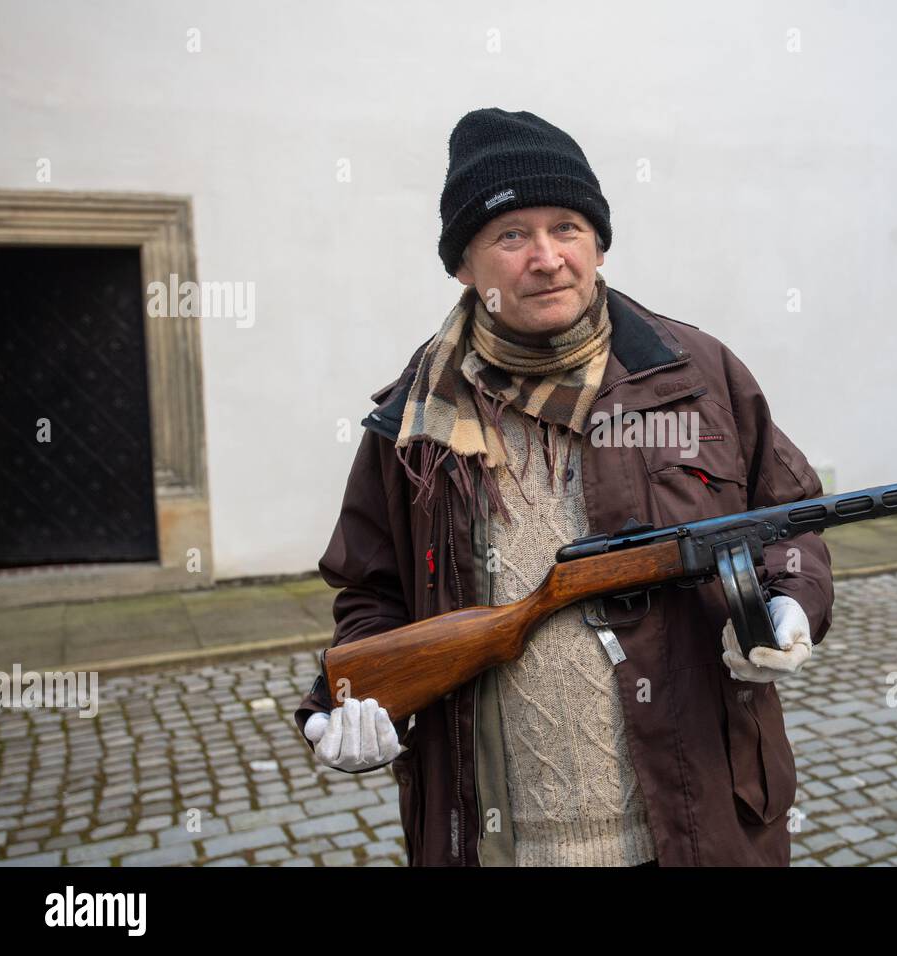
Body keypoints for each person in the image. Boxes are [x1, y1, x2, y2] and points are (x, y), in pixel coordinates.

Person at [294, 108, 834, 867]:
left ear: (599, 243)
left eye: (568, 228)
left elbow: (790, 520)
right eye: (511, 236)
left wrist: (787, 604)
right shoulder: (411, 422)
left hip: (695, 828)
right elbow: (370, 592)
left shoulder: (698, 375)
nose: (547, 258)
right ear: (463, 266)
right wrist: (352, 707)